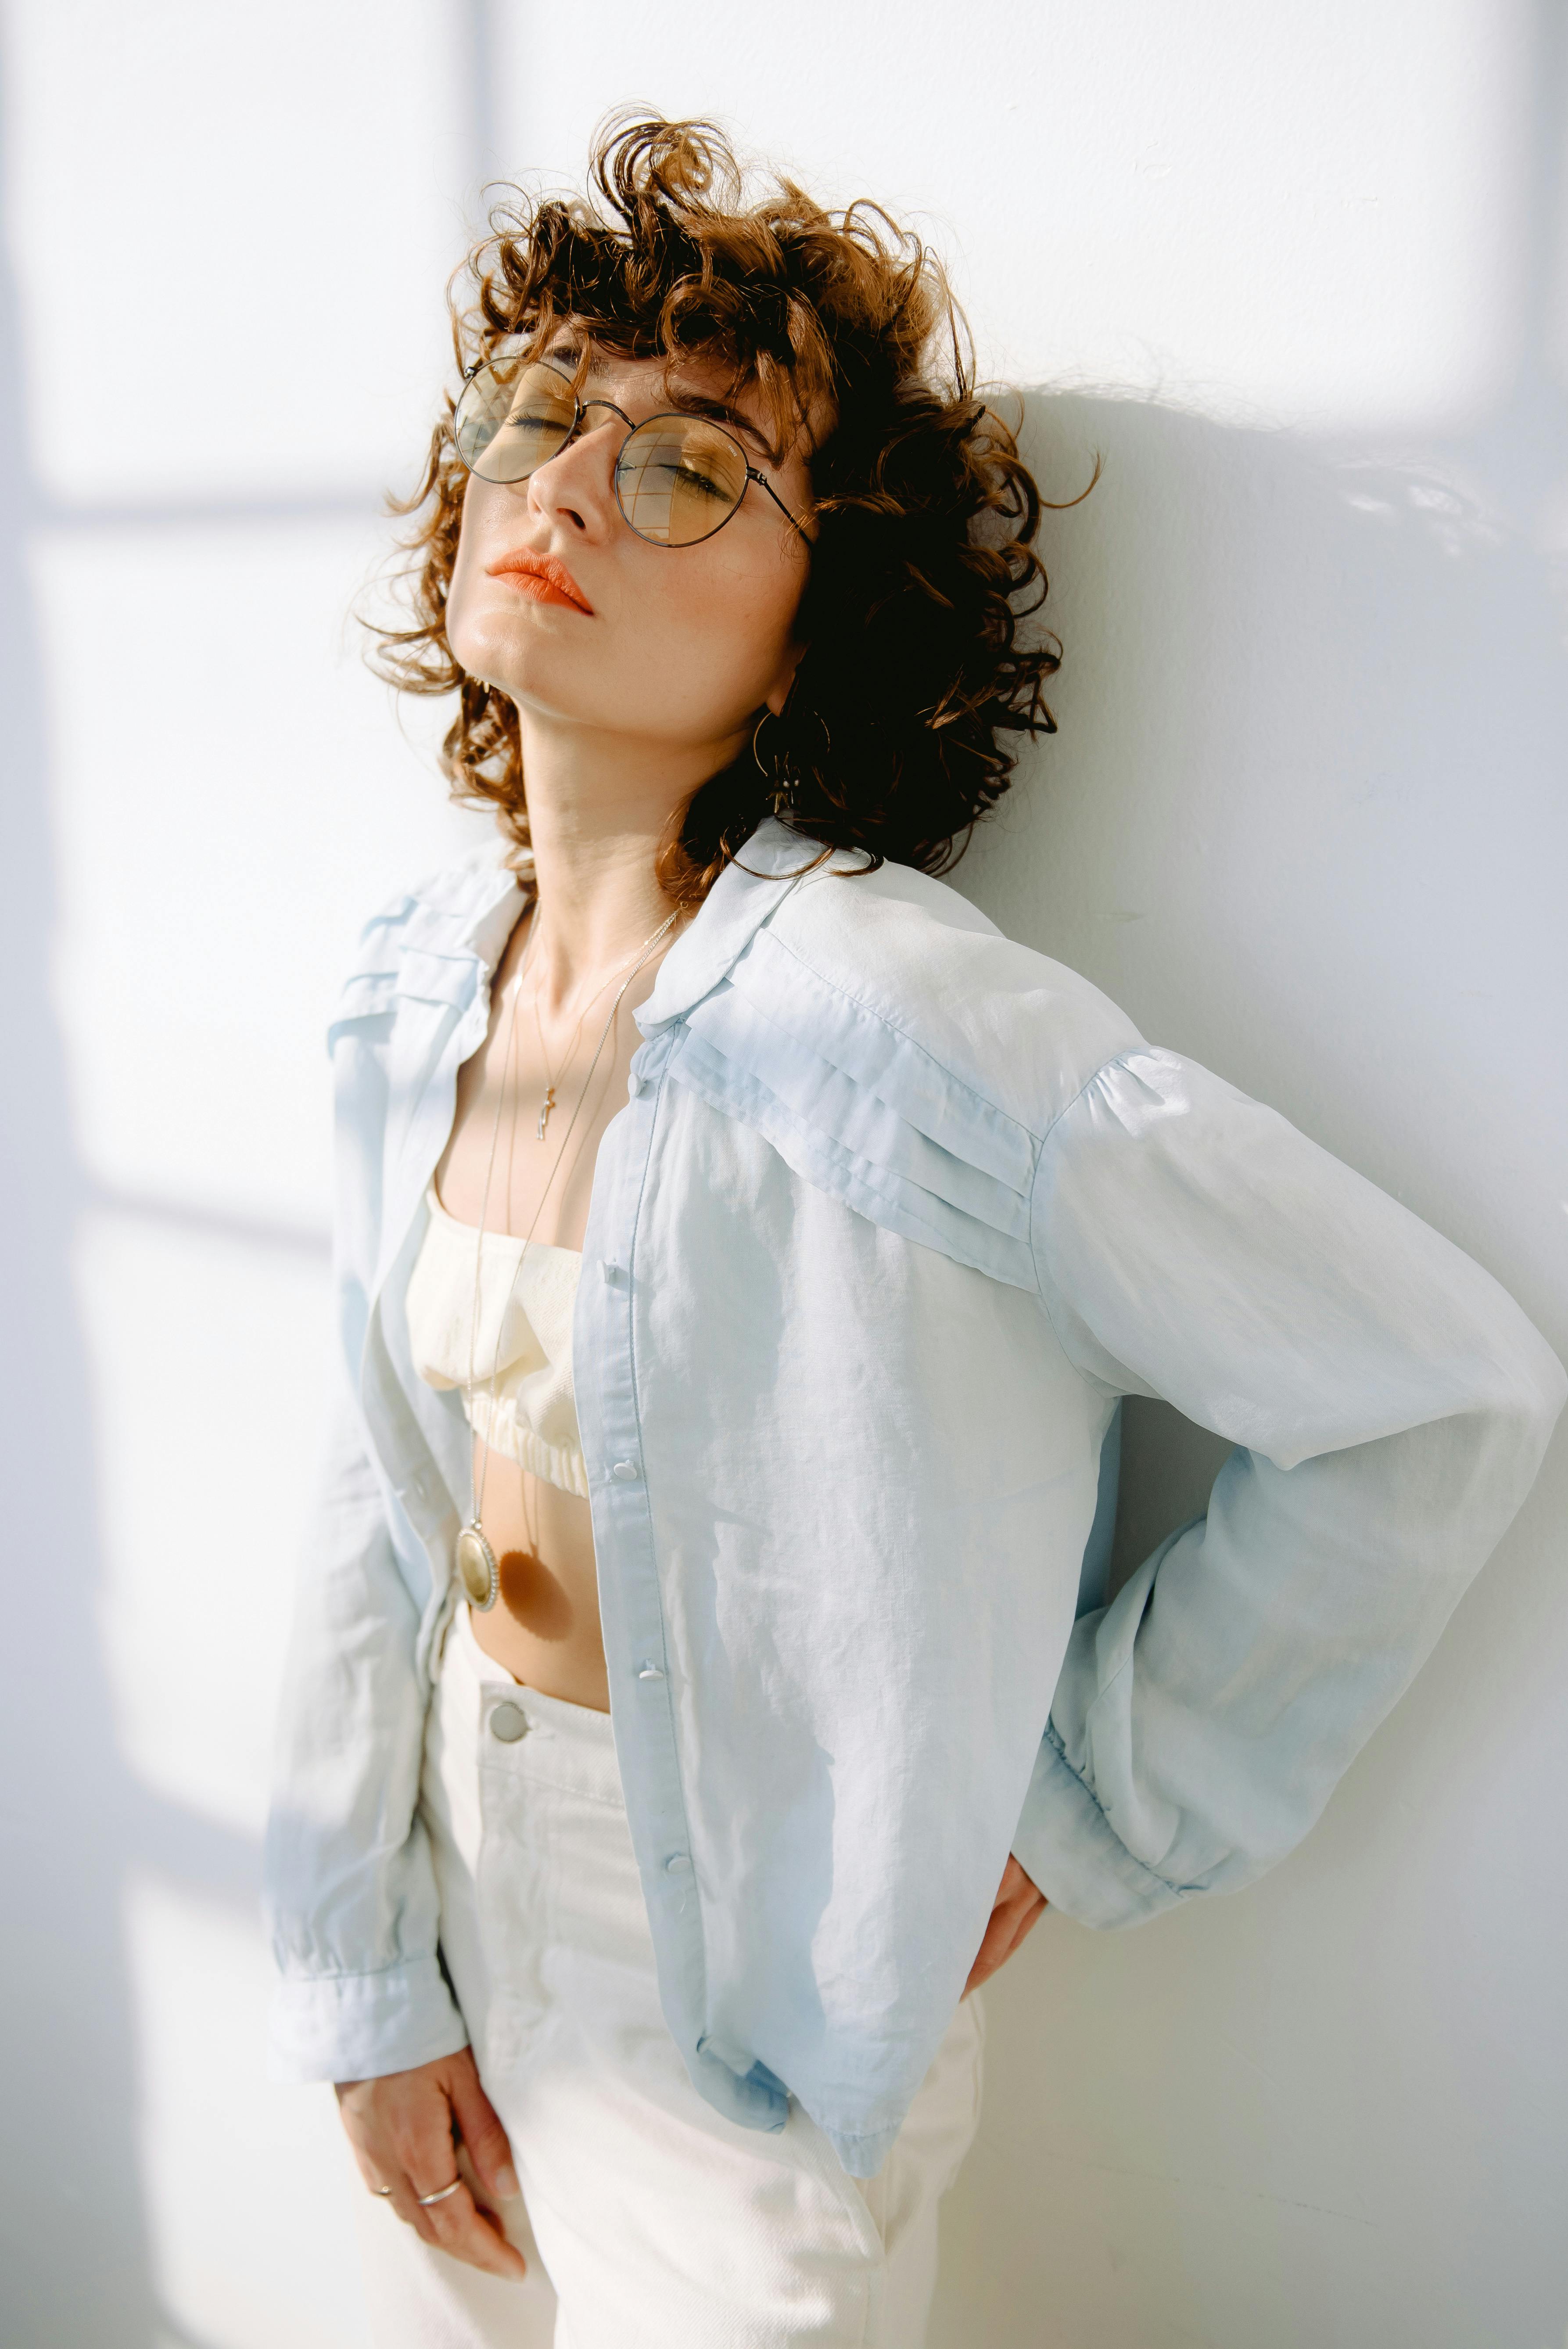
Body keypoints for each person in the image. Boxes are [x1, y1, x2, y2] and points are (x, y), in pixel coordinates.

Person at [263, 115, 1565, 2349]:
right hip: (455, 1883)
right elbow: (373, 1503)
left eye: (688, 468)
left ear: (815, 634)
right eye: (539, 419)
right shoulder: (414, 981)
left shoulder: (894, 1020)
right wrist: (361, 1978)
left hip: (742, 1975)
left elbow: (1431, 1401)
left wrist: (1082, 1805)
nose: (567, 489)